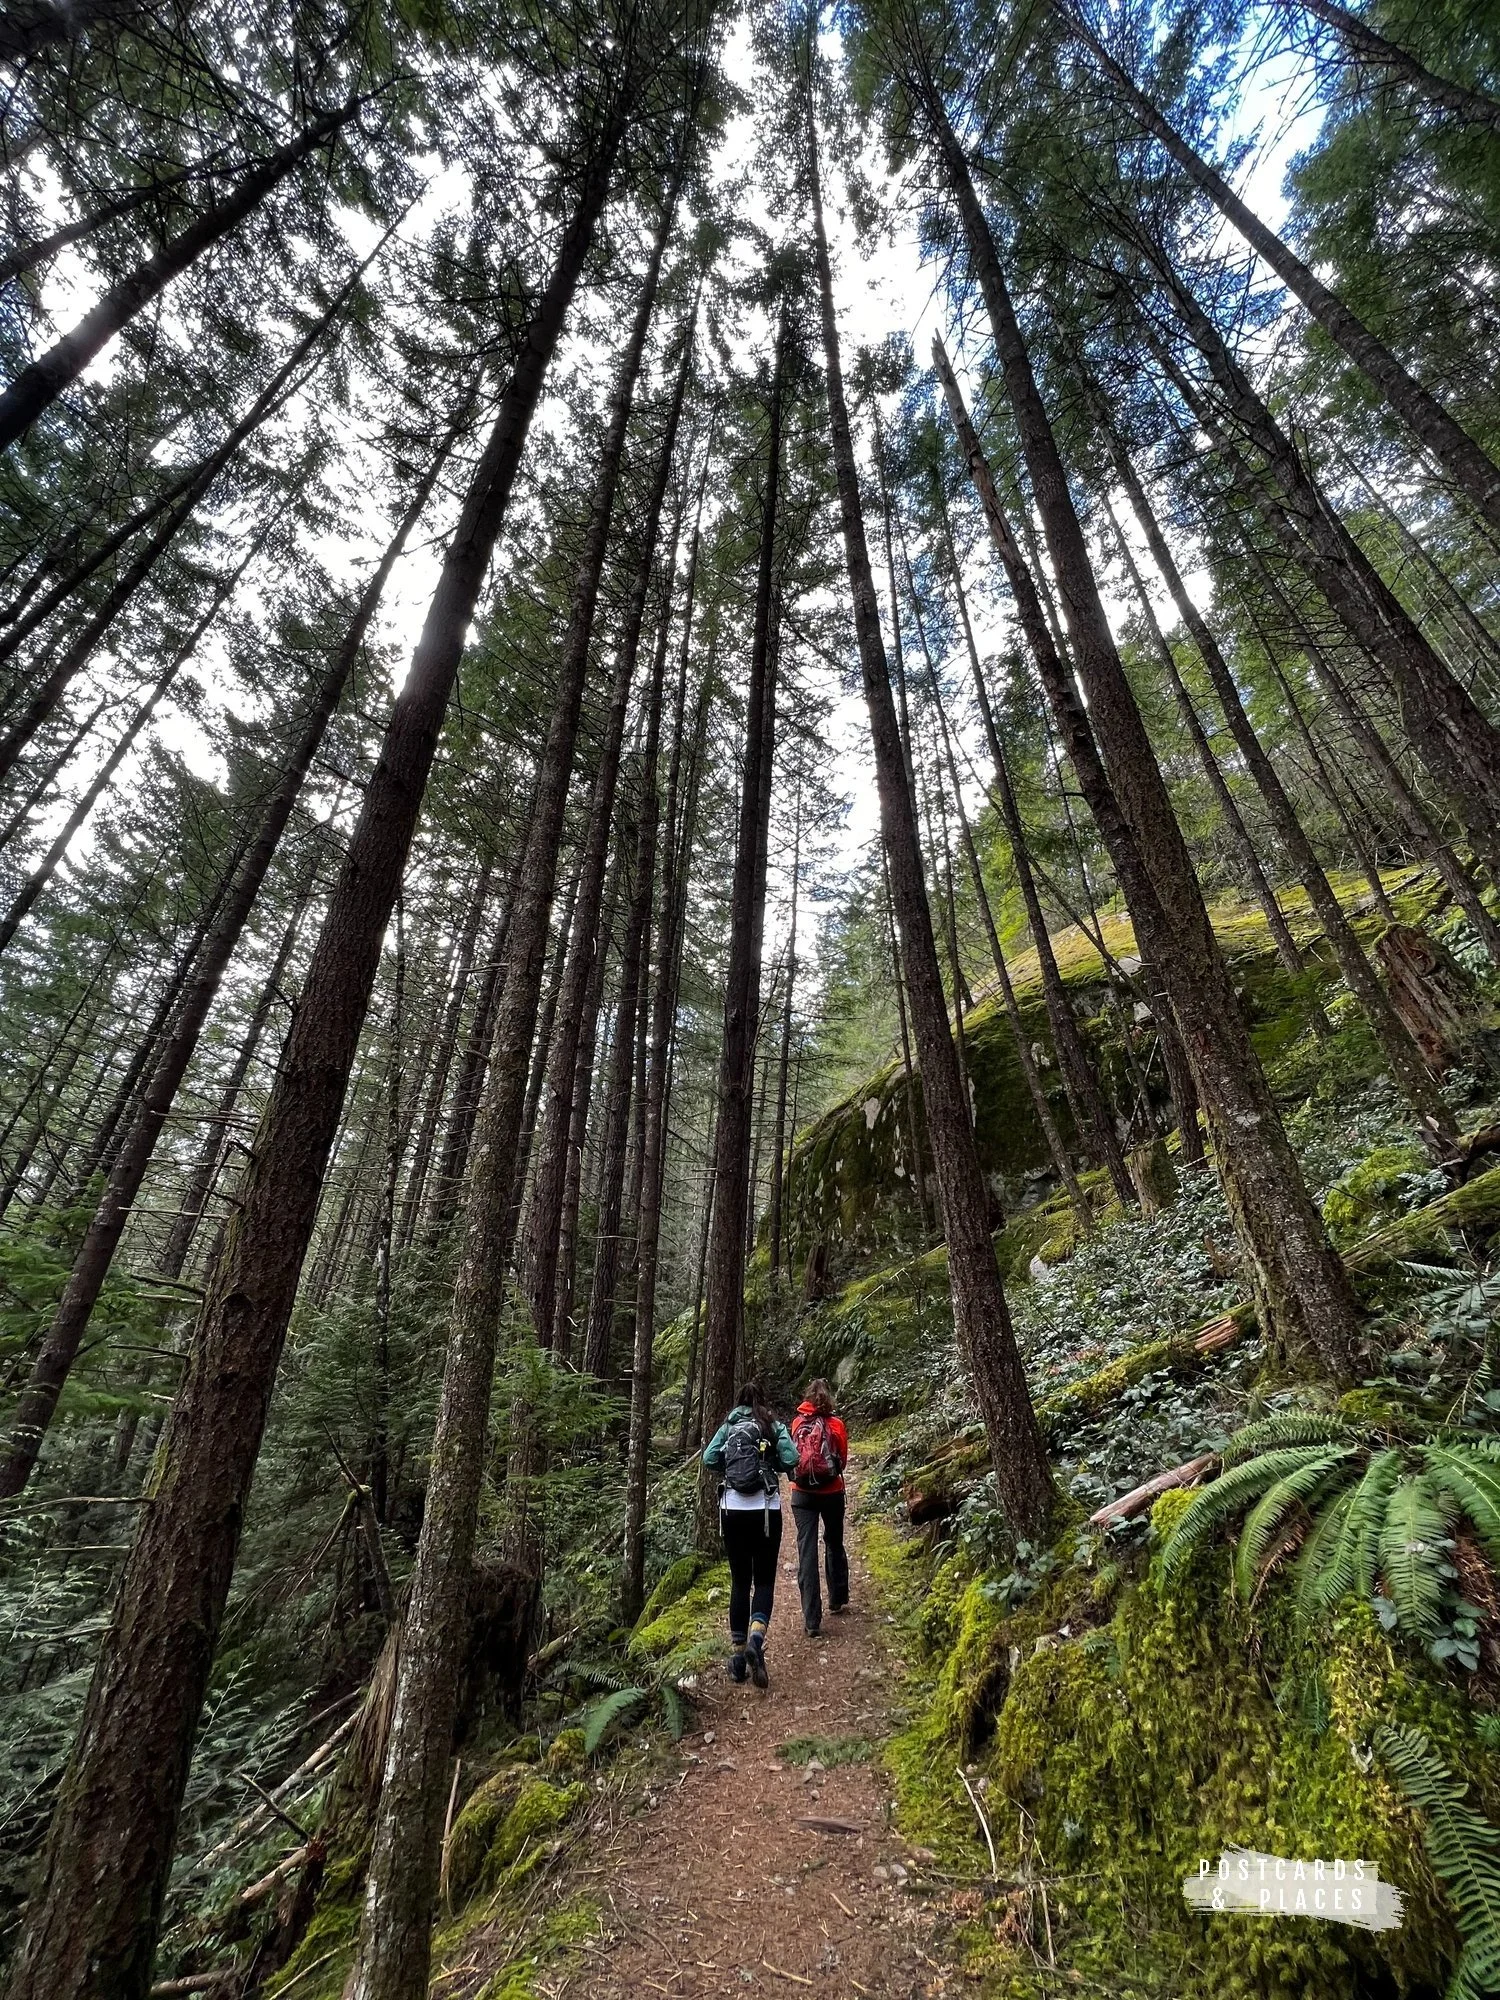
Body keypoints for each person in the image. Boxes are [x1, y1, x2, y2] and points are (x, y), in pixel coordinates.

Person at [702, 1380, 797, 1687]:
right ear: (761, 1401)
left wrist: (731, 1466)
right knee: (764, 1580)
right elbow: (792, 1459)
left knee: (740, 1582)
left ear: (739, 1401)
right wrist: (770, 1462)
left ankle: (738, 1658)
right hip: (765, 1509)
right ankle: (756, 1640)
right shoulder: (771, 1425)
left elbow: (709, 1458)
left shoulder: (728, 1426)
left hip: (731, 1509)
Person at [789, 1377, 849, 1637]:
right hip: (832, 1492)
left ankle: (812, 1620)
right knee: (834, 1541)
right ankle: (837, 1598)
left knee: (807, 1552)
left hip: (802, 1495)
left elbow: (793, 1457)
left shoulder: (797, 1423)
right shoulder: (837, 1424)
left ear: (807, 1399)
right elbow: (842, 1461)